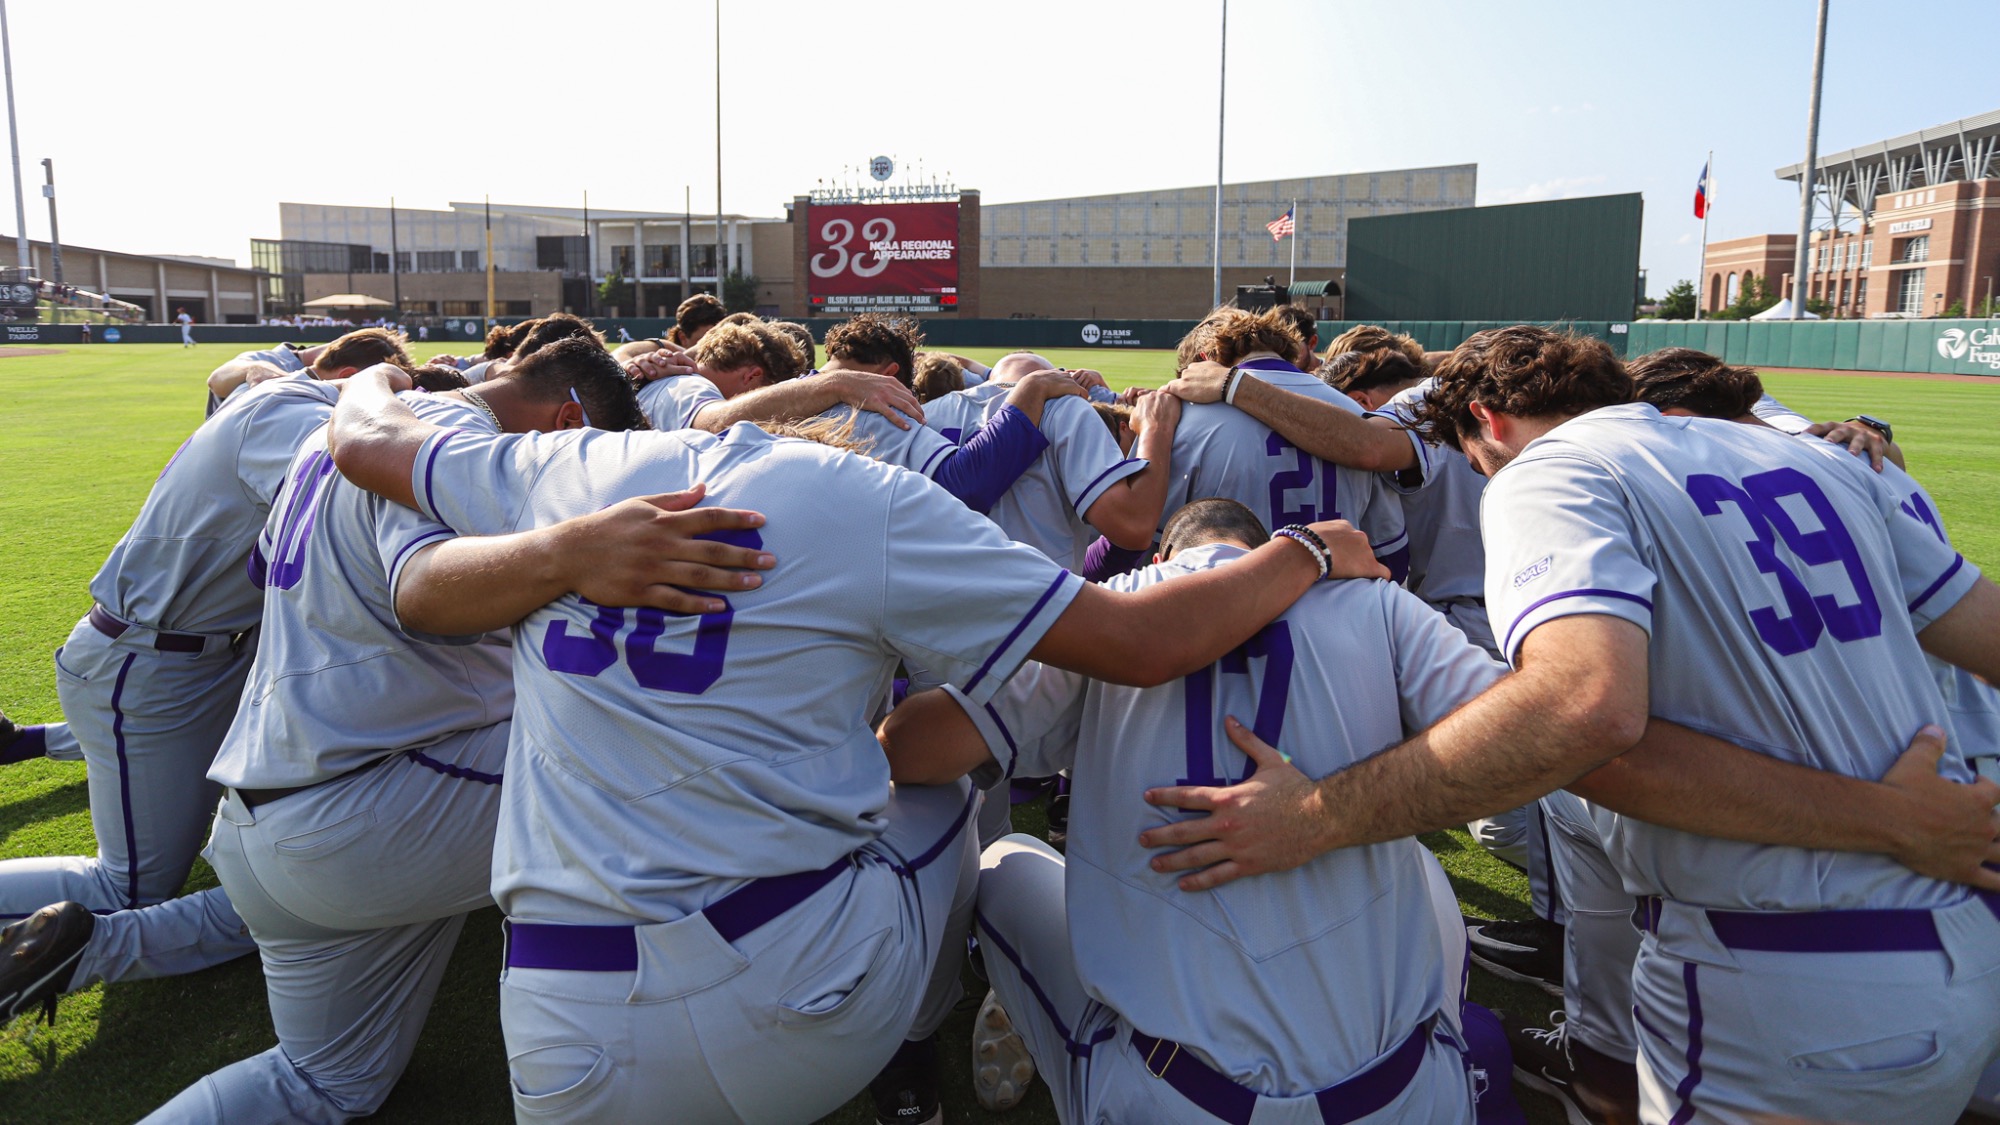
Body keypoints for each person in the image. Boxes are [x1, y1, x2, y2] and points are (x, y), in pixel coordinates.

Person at [322, 360, 1387, 1124]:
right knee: (938, 788)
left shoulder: (557, 468)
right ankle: (921, 1042)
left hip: (562, 1008)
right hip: (798, 989)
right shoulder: (860, 496)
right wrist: (1300, 548)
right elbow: (1143, 638)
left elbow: (362, 439)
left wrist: (381, 375)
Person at [1140, 326, 2000, 1125]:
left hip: (1785, 978)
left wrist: (1312, 815)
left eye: (1473, 461)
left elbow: (1582, 712)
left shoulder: (1547, 470)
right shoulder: (1820, 458)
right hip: (1958, 947)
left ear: (1486, 421)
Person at [880, 498, 1512, 1123]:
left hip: (1175, 1095)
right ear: (1261, 548)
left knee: (1005, 859)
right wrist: (1335, 806)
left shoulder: (1108, 606)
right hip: (1402, 1094)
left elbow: (909, 751)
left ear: (1164, 555)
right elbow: (1529, 737)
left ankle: (1014, 1017)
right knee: (1425, 870)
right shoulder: (1376, 600)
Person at [924, 351, 1175, 571]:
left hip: (934, 602)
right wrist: (1157, 428)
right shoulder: (1067, 409)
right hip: (1037, 607)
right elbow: (1130, 528)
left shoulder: (916, 415)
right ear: (1055, 376)